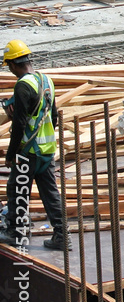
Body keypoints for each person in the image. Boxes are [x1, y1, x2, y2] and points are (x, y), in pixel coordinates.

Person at [0, 41, 68, 251]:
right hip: (47, 151)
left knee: (17, 190)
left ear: (12, 64)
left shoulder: (22, 85)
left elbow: (20, 124)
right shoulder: (46, 80)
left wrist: (11, 155)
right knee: (51, 195)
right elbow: (53, 116)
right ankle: (62, 236)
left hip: (28, 152)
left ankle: (15, 233)